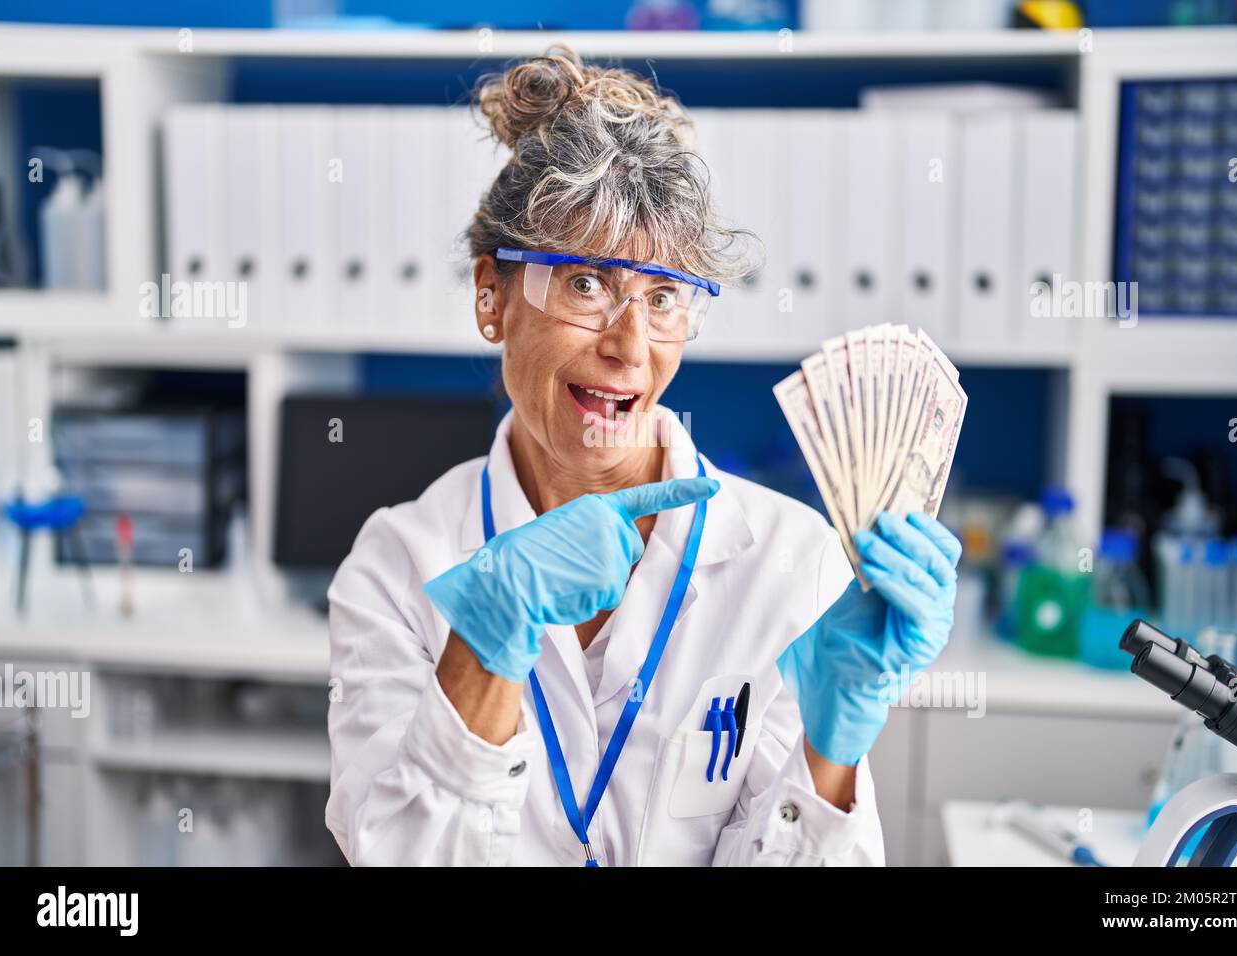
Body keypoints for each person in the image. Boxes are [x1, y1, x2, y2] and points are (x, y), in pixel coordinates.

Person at [326, 47, 961, 866]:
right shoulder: (396, 568)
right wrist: (483, 643)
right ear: (492, 295)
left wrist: (827, 756)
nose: (632, 346)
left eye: (662, 297)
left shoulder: (789, 563)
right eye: (587, 283)